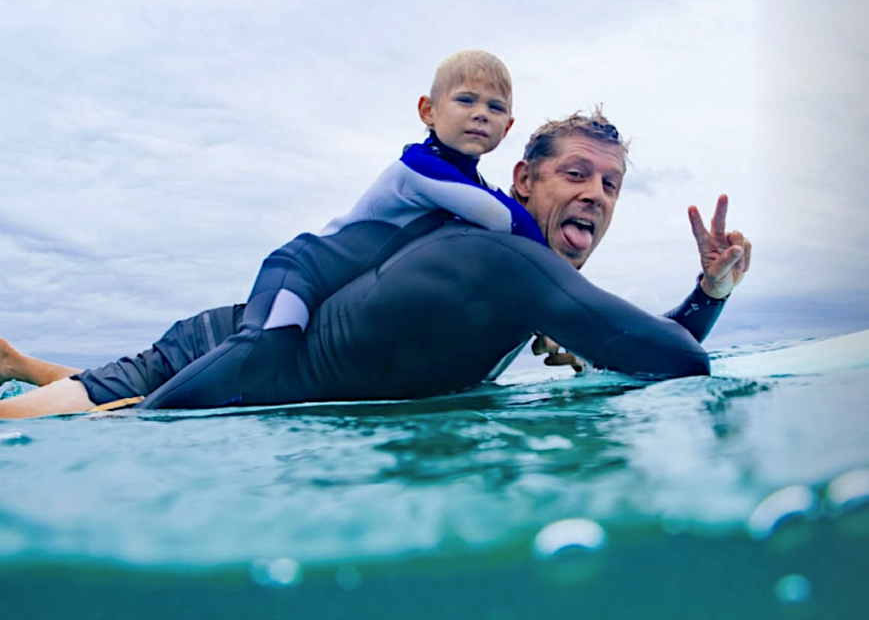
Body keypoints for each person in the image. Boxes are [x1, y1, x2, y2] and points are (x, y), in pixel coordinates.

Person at [0, 108, 750, 419]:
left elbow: (639, 348)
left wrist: (707, 290)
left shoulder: (526, 288)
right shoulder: (497, 262)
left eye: (609, 184)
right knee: (50, 422)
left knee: (73, 395)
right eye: (574, 174)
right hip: (213, 355)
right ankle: (32, 378)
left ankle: (22, 359)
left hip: (227, 354)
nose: (593, 195)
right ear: (521, 183)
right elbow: (670, 359)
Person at [137, 50, 545, 410]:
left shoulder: (480, 189)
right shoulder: (418, 168)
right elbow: (506, 224)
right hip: (299, 271)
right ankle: (141, 416)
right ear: (428, 111)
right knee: (266, 346)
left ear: (507, 127)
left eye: (495, 107)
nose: (481, 114)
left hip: (332, 301)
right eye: (465, 99)